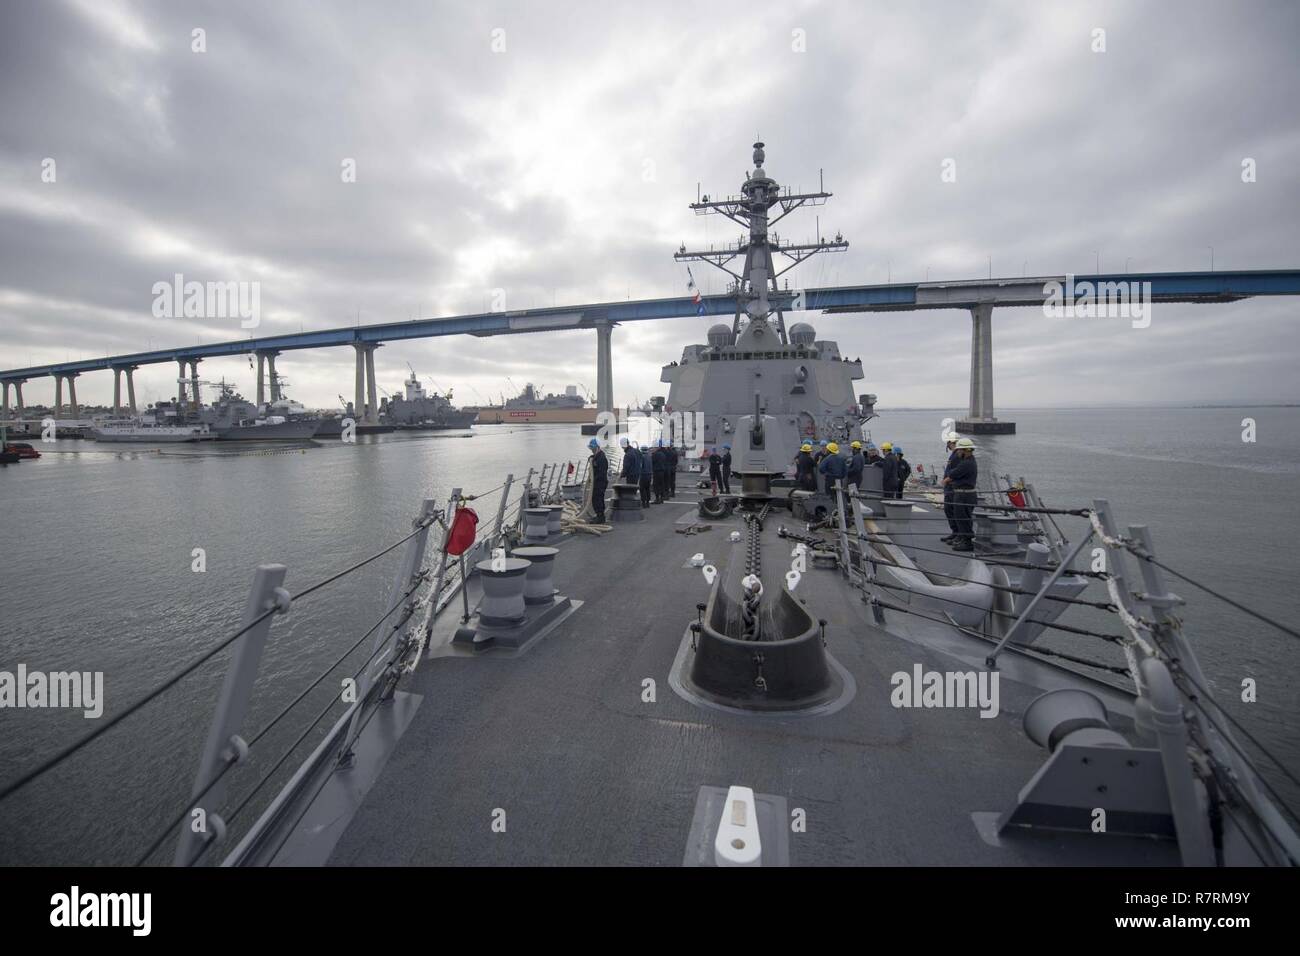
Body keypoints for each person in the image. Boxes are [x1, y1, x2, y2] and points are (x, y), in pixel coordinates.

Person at [943, 438, 978, 551]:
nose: (957, 452)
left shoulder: (967, 464)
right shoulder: (968, 461)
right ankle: (962, 538)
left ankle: (967, 543)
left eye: (959, 450)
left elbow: (953, 473)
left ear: (965, 450)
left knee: (963, 518)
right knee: (960, 517)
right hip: (962, 494)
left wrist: (950, 477)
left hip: (964, 496)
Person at [940, 431, 960, 541]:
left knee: (952, 510)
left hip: (952, 488)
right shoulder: (955, 454)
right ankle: (955, 532)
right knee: (949, 510)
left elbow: (956, 472)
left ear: (950, 442)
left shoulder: (956, 455)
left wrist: (946, 480)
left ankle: (957, 533)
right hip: (949, 488)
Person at [588, 438, 609, 523]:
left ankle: (600, 517)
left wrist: (593, 480)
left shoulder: (602, 458)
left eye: (593, 448)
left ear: (597, 447)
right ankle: (599, 515)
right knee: (595, 499)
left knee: (598, 499)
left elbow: (601, 472)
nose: (592, 450)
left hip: (600, 482)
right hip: (597, 482)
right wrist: (591, 458)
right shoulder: (597, 456)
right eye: (591, 448)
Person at [638, 442, 653, 507]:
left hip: (643, 475)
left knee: (642, 489)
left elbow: (640, 466)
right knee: (647, 488)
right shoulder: (650, 456)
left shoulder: (642, 457)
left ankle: (643, 502)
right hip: (649, 474)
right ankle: (647, 502)